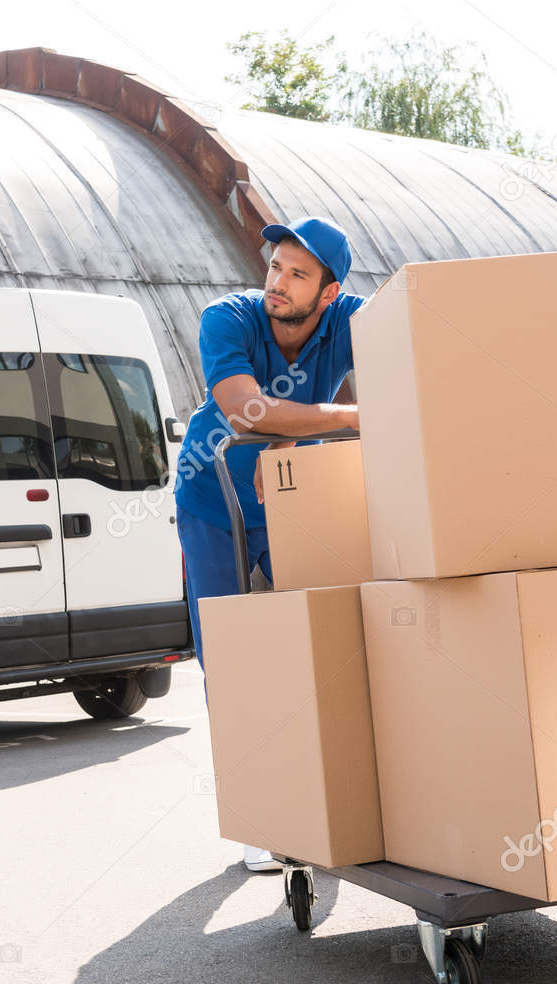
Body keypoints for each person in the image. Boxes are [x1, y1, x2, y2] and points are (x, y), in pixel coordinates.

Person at [173, 216, 366, 872]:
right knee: (230, 658)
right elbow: (245, 413)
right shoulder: (226, 318)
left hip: (289, 494)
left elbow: (414, 347)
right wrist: (343, 418)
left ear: (331, 291)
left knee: (321, 640)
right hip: (213, 495)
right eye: (275, 267)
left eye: (298, 274)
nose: (278, 283)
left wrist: (299, 433)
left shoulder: (354, 320)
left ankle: (328, 798)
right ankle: (259, 814)